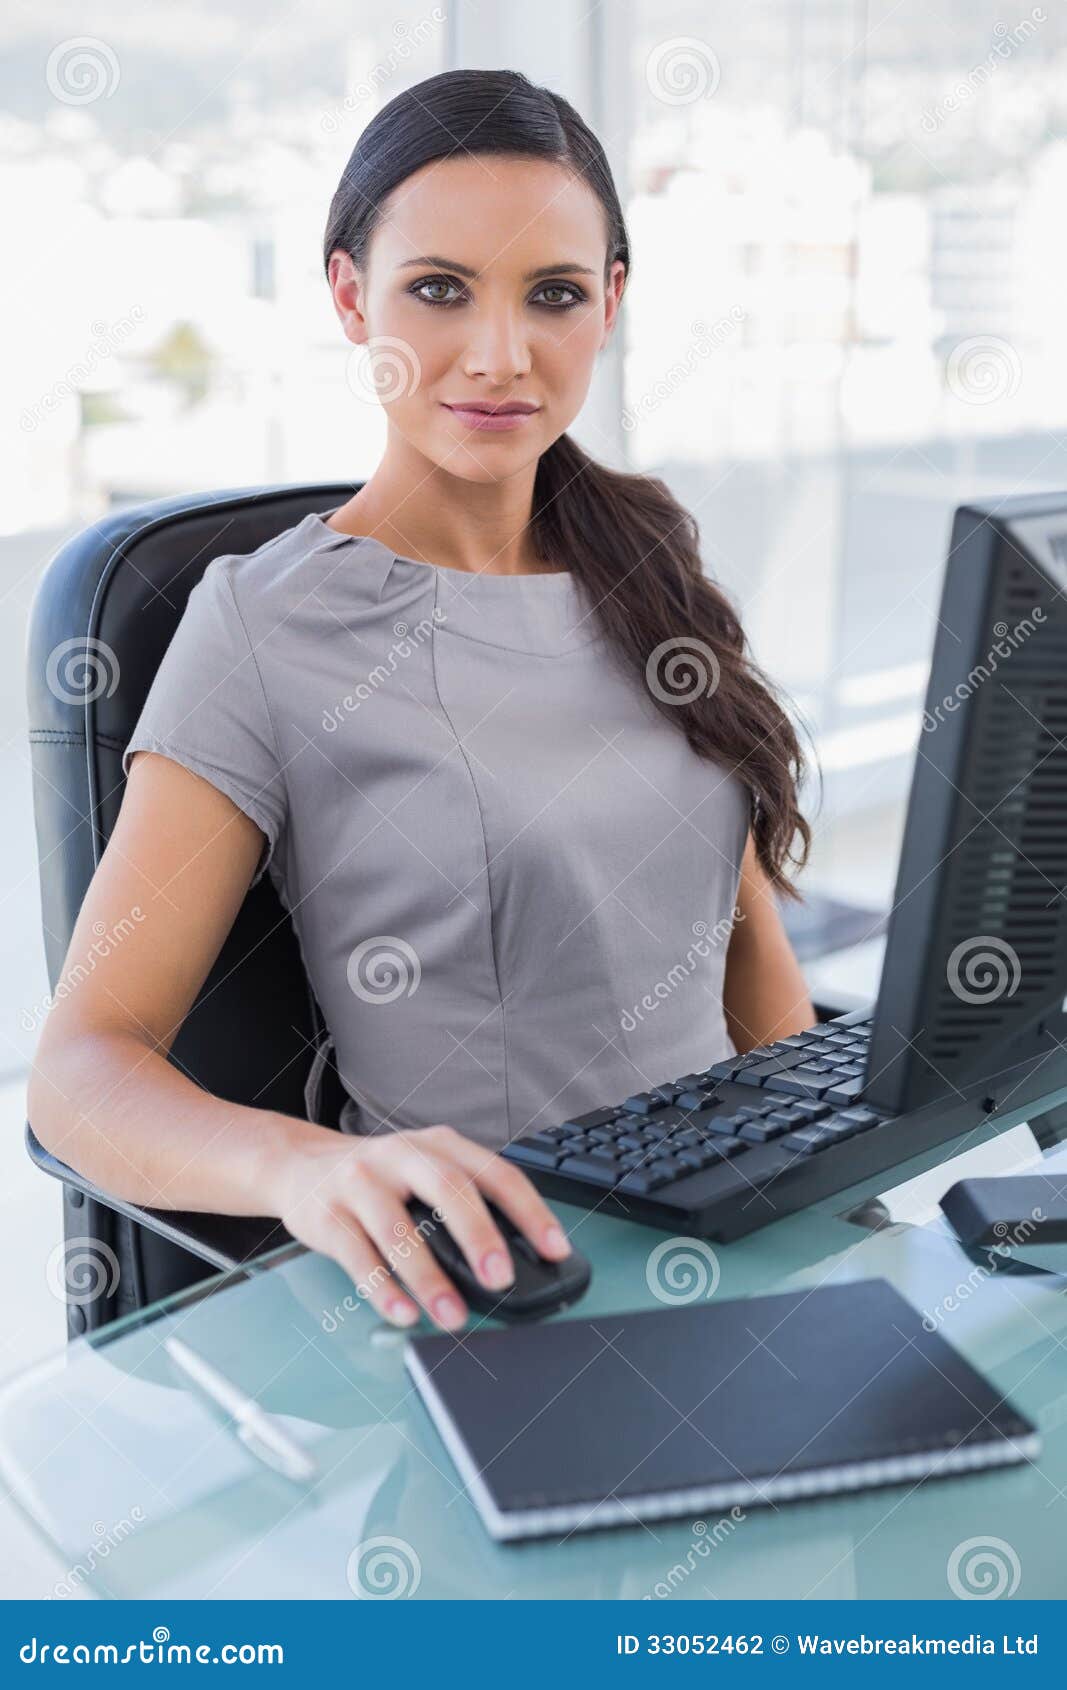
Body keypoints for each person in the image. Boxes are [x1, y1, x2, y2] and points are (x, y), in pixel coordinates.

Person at [29, 68, 815, 1334]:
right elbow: (77, 1073)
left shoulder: (645, 564)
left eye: (552, 295)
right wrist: (307, 1167)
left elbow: (750, 981)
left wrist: (849, 1210)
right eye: (437, 289)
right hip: (504, 1289)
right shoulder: (261, 626)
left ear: (609, 303)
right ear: (350, 295)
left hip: (744, 1249)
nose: (499, 358)